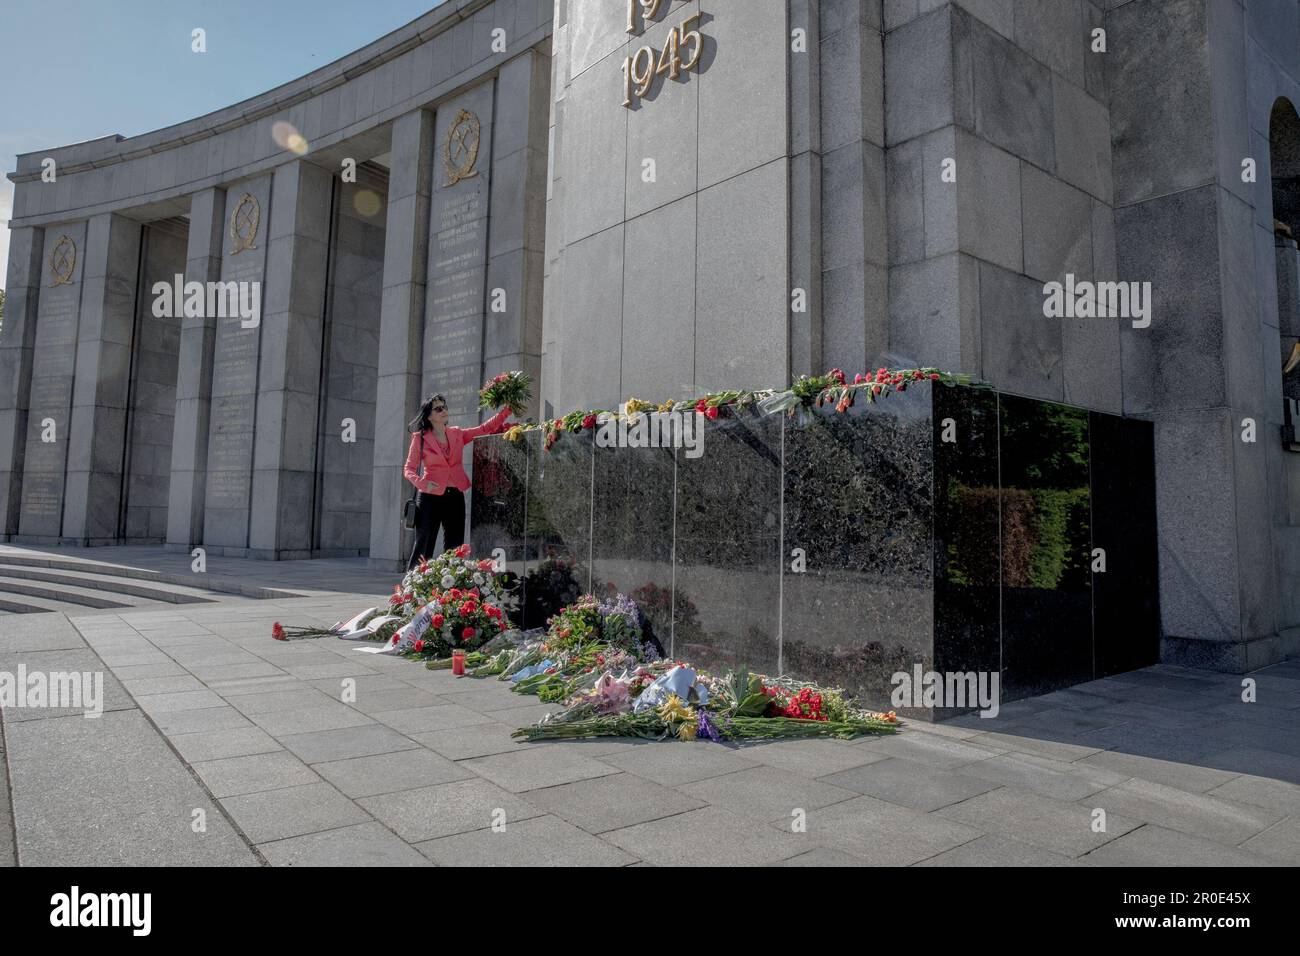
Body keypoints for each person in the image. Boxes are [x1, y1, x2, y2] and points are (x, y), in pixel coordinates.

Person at [404, 394, 511, 570]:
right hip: (430, 498)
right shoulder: (420, 438)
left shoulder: (457, 434)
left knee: (455, 546)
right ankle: (412, 588)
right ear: (429, 416)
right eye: (438, 408)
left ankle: (450, 586)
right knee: (424, 544)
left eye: (444, 406)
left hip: (455, 496)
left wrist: (507, 410)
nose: (444, 410)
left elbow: (485, 428)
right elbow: (408, 469)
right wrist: (423, 484)